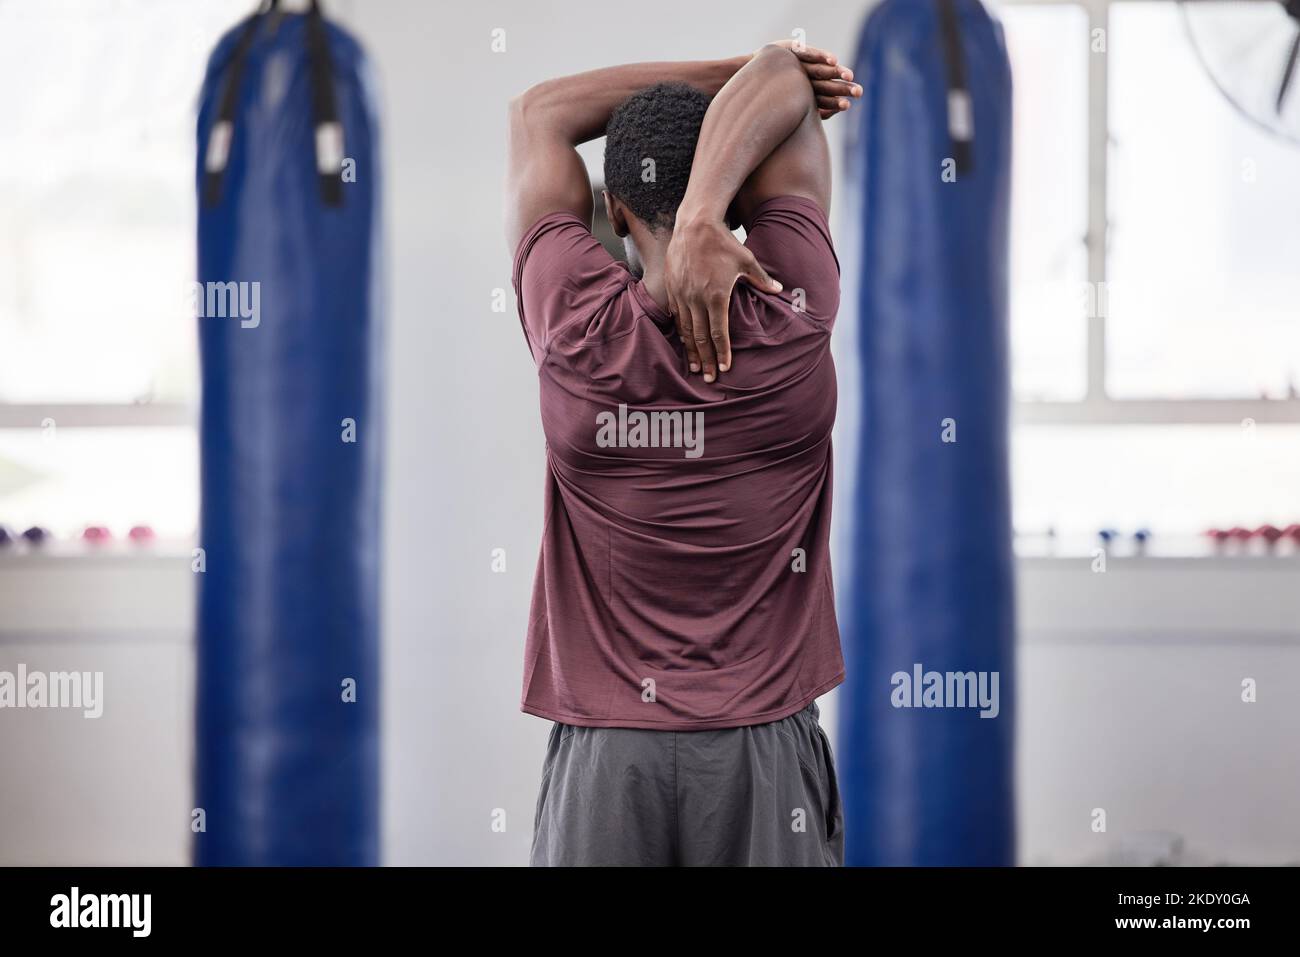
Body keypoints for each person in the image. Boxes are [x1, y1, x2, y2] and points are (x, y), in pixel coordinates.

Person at [505, 41, 859, 866]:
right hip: (758, 752)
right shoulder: (793, 311)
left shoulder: (571, 328)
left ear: (616, 211)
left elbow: (538, 113)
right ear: (738, 198)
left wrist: (727, 79)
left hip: (607, 762)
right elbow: (785, 85)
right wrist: (709, 205)